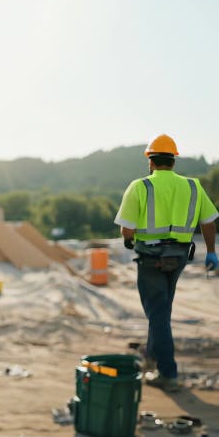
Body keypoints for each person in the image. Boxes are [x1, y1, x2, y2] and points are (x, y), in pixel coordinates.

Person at [115, 134, 218, 392]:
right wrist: (211, 252)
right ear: (173, 161)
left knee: (158, 313)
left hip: (150, 259)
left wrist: (129, 241)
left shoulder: (140, 186)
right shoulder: (193, 186)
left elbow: (127, 230)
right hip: (180, 257)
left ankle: (168, 373)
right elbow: (209, 222)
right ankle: (150, 356)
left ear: (150, 162)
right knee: (161, 310)